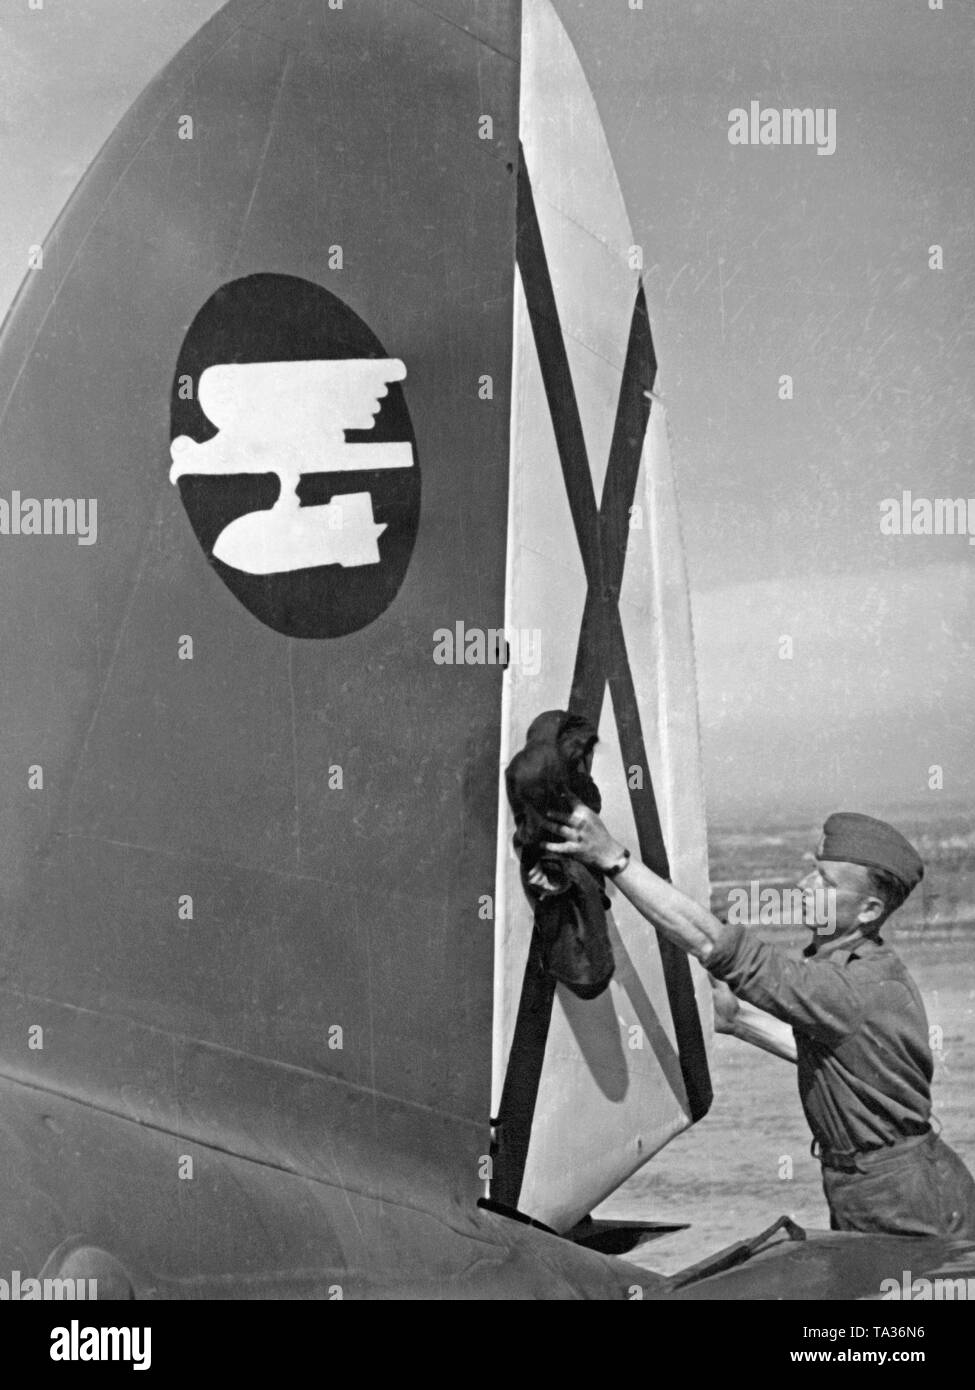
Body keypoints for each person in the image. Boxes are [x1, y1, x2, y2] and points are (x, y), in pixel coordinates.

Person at [542, 806, 975, 1239]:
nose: (804, 887)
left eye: (824, 883)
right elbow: (851, 1065)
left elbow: (717, 944)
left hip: (903, 1200)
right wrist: (740, 1021)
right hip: (888, 1182)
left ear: (868, 910)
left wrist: (614, 859)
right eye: (812, 871)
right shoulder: (872, 971)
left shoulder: (849, 987)